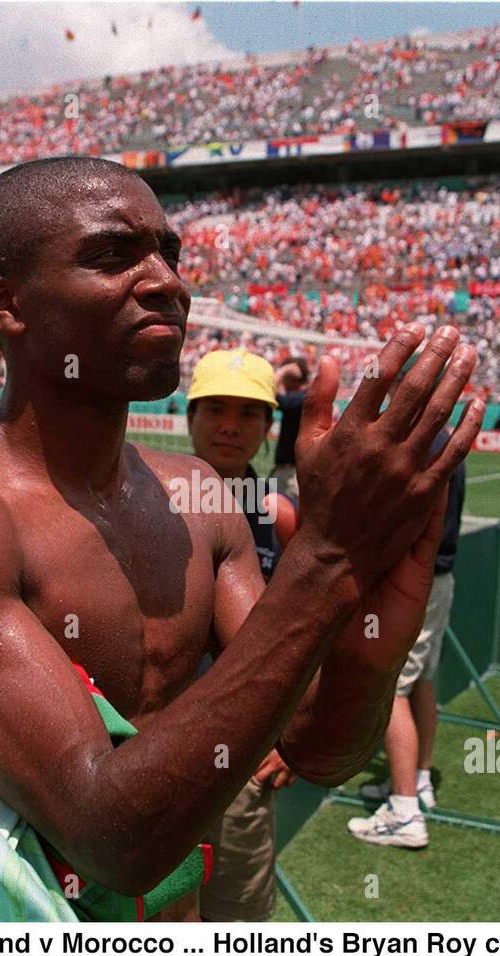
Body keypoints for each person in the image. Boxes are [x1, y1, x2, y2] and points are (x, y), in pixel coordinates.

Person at [0, 156, 484, 923]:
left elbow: (319, 744)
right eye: (114, 256)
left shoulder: (199, 495)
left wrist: (374, 626)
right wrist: (327, 560)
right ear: (7, 302)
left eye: (170, 254)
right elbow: (105, 837)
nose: (169, 283)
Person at [184, 348, 297, 921]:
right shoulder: (145, 499)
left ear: (268, 427)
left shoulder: (278, 516)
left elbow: (301, 633)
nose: (230, 425)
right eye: (217, 410)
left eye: (249, 414)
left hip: (240, 760)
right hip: (149, 751)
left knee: (236, 919)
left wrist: (287, 733)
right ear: (191, 418)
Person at [351, 426, 465, 848]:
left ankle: (405, 812)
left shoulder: (418, 440)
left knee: (392, 689)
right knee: (422, 682)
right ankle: (416, 781)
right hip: (439, 577)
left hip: (416, 580)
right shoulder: (447, 436)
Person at [270, 358, 309, 501]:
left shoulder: (305, 398)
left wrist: (283, 372)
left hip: (292, 473)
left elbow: (270, 393)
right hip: (290, 471)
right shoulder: (303, 398)